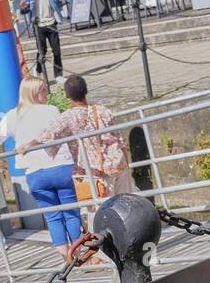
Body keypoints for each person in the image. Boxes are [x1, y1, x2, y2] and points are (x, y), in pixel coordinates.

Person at [0, 76, 80, 262]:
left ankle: (66, 255)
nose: (46, 93)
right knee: (71, 212)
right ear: (33, 92)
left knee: (52, 216)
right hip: (60, 167)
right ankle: (78, 253)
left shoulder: (13, 115)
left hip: (35, 172)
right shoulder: (52, 110)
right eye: (43, 89)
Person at [20, 74, 131, 203]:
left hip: (95, 172)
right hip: (118, 164)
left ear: (67, 95)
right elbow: (120, 139)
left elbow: (49, 135)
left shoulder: (68, 117)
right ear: (86, 91)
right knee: (127, 205)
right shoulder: (102, 110)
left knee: (100, 213)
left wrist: (28, 145)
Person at [20, 0, 66, 81]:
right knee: (42, 51)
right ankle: (38, 69)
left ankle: (58, 75)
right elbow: (25, 10)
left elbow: (56, 4)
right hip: (38, 26)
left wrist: (62, 4)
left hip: (51, 23)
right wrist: (22, 8)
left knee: (57, 51)